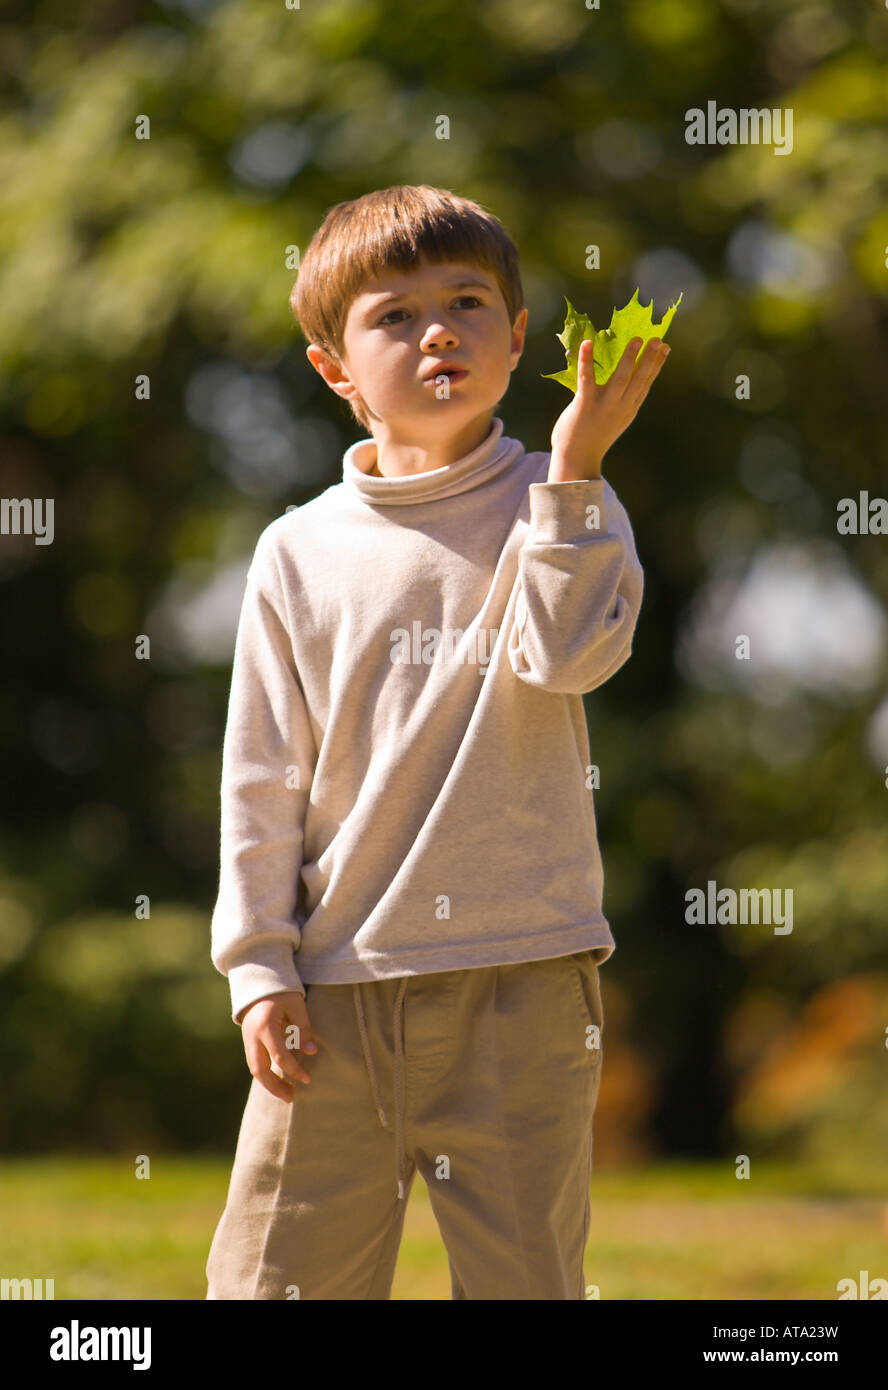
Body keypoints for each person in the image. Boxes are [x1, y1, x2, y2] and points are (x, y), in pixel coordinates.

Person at [205, 184, 668, 1300]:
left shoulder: (566, 500)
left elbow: (566, 659)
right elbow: (261, 775)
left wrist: (576, 469)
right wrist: (260, 962)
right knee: (273, 1281)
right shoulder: (296, 551)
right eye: (394, 316)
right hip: (334, 989)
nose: (438, 332)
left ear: (518, 339)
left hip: (524, 978)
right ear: (335, 370)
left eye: (466, 303)